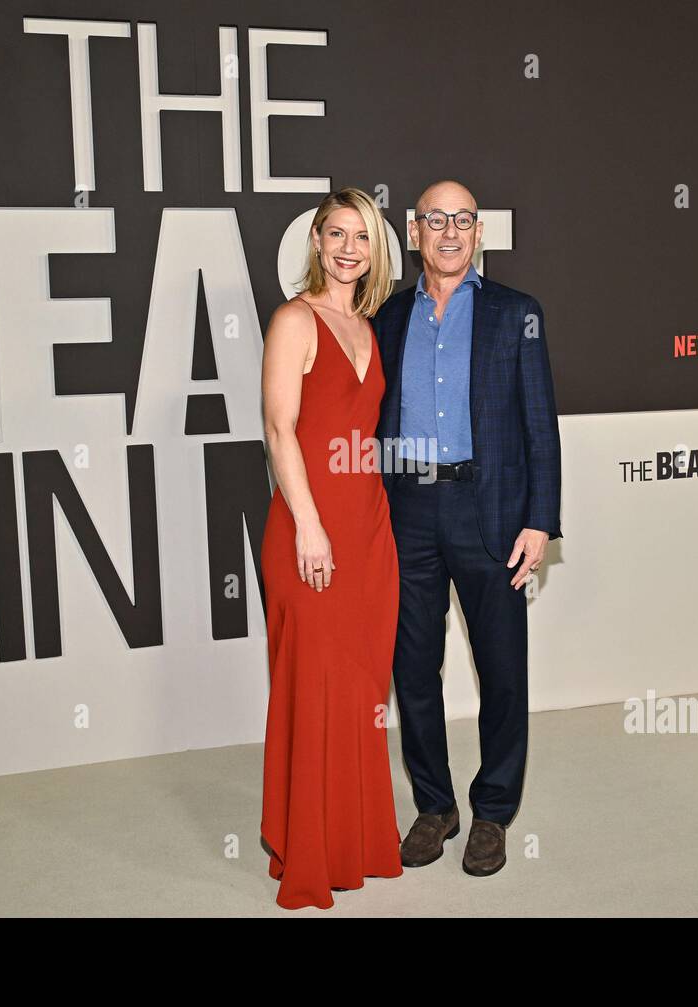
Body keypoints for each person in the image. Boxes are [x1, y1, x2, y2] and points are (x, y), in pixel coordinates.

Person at [373, 179, 562, 877]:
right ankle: (435, 805)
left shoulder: (518, 315)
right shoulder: (388, 317)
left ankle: (492, 812)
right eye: (434, 219)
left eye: (462, 219)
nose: (449, 231)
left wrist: (540, 520)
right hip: (408, 515)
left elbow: (540, 428)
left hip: (492, 513)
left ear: (477, 232)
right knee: (414, 670)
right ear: (414, 231)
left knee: (502, 672)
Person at [258, 187, 403, 910]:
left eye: (363, 236)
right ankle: (312, 851)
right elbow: (281, 429)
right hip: (308, 530)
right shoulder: (295, 320)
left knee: (358, 693)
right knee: (312, 687)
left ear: (375, 249)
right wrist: (309, 526)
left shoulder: (369, 328)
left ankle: (357, 840)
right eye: (337, 234)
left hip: (370, 531)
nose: (350, 248)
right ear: (315, 242)